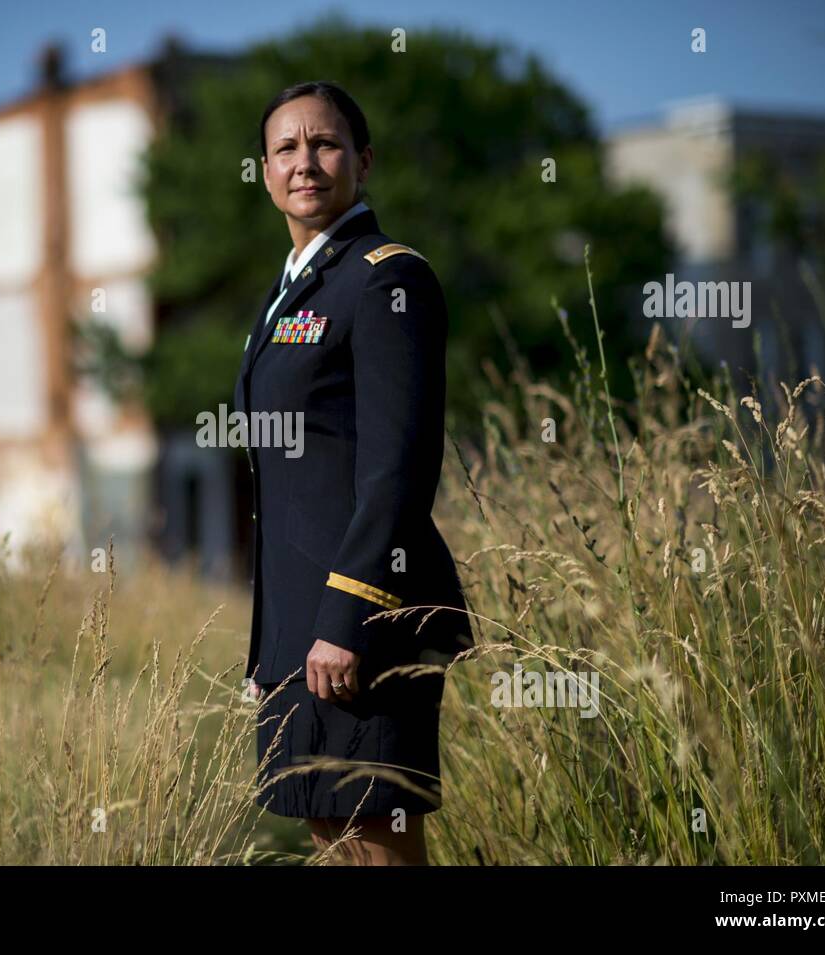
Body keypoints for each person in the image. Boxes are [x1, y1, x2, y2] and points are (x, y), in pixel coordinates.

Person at [233, 81, 474, 865]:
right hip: (296, 632)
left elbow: (397, 469)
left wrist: (346, 620)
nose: (306, 162)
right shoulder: (292, 291)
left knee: (377, 843)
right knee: (330, 838)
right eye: (285, 149)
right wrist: (269, 648)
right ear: (264, 171)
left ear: (362, 161)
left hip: (359, 623)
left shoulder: (384, 279)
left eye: (325, 143)